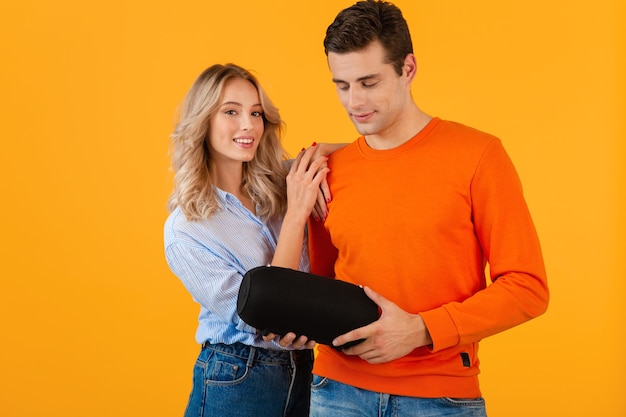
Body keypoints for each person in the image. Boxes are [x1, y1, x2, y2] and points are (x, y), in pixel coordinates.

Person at [306, 1, 550, 416]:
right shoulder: (326, 169)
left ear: (408, 69)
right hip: (335, 391)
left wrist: (420, 330)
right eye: (342, 85)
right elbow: (322, 282)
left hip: (440, 398)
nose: (354, 102)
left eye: (369, 82)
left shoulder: (478, 156)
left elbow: (528, 287)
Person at [163, 63, 332, 417]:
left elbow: (369, 152)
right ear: (202, 122)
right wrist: (297, 214)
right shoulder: (187, 229)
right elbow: (269, 311)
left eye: (256, 113)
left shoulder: (283, 184)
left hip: (308, 371)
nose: (248, 125)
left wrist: (315, 154)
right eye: (231, 112)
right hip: (238, 376)